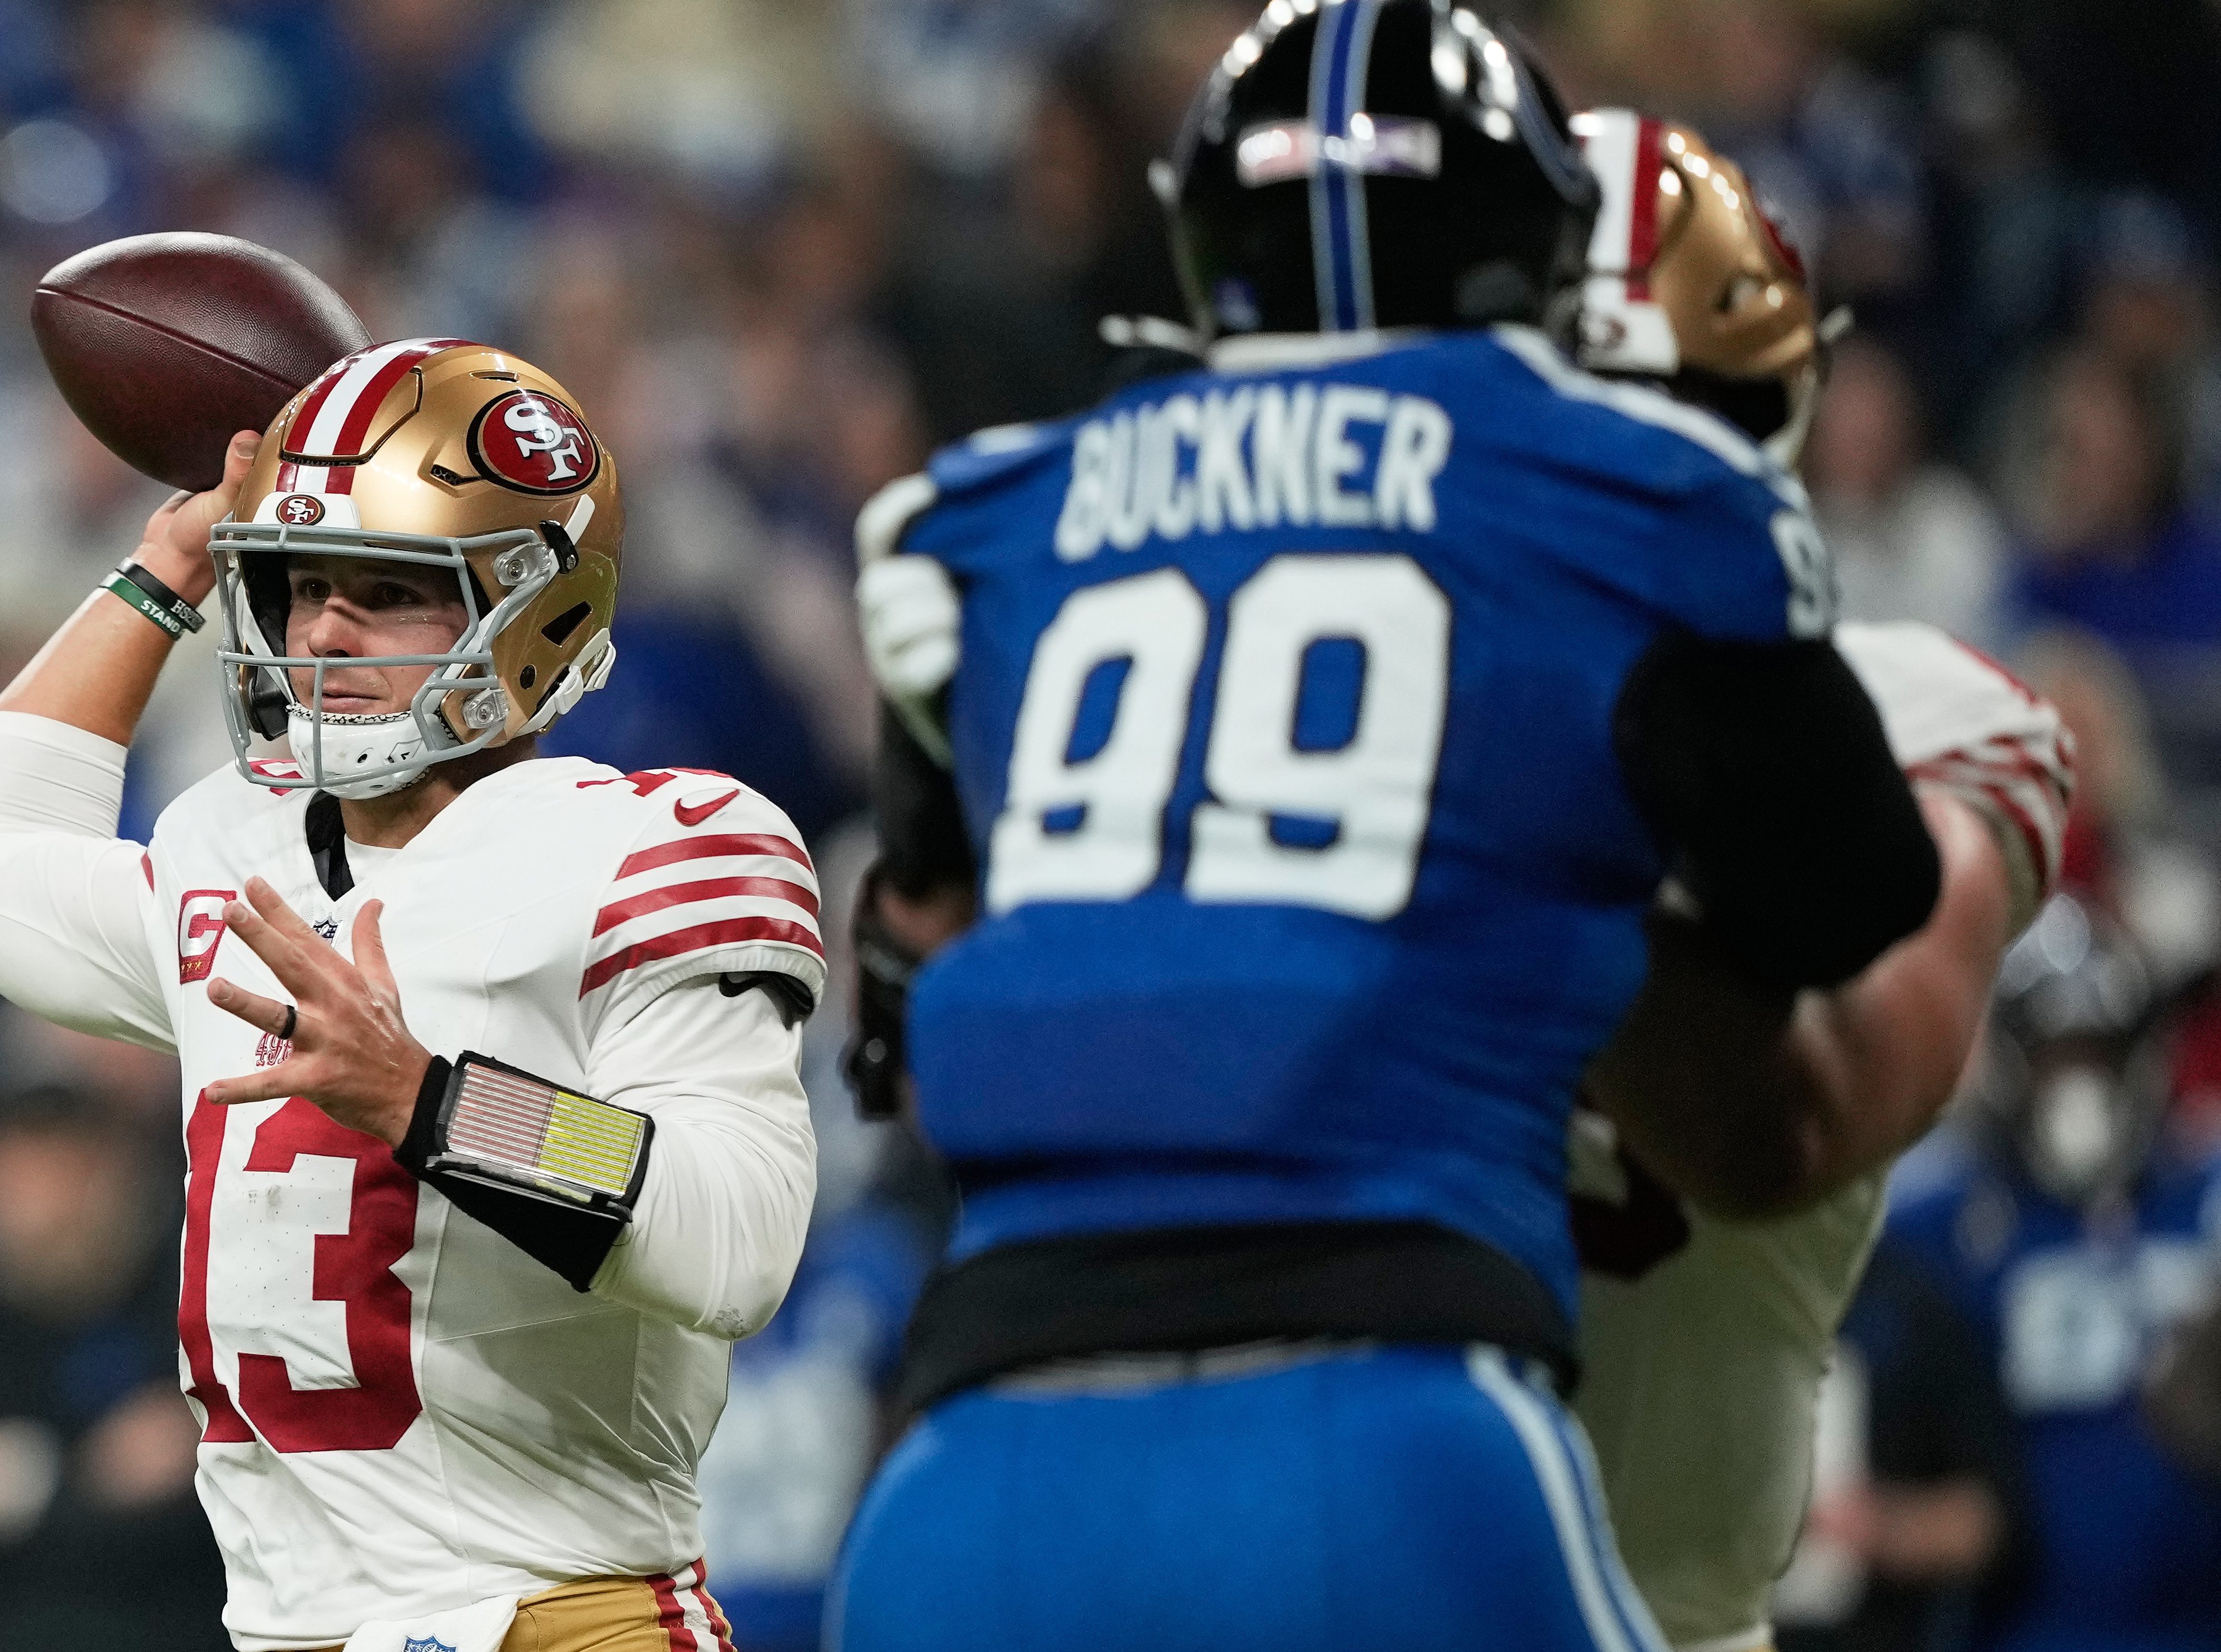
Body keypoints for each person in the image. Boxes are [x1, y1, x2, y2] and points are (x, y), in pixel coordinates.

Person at [831, 4, 1954, 1644]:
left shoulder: (976, 521)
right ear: (1533, 241)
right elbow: (1852, 901)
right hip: (1386, 1423)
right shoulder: (1635, 493)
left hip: (963, 1468)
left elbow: (912, 1019)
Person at [0, 338, 826, 1652]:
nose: (323, 632)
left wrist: (432, 1103)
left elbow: (732, 1240)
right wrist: (166, 568)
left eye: (389, 590)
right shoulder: (232, 848)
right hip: (290, 1629)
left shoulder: (652, 847)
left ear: (538, 612)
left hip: (553, 1613)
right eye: (298, 586)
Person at [1557, 109, 2073, 1652]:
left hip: (1669, 1608)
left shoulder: (1922, 719)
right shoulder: (1327, 686)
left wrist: (1496, 806)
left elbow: (1779, 1129)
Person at [1878, 898, 2221, 1652]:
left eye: (2099, 1055)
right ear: (2013, 1064)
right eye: (2057, 1059)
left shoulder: (2203, 1192)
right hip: (2028, 1627)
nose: (2079, 1087)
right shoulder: (1947, 1218)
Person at [0, 1085, 226, 1652]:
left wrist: (15, 1492)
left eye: (64, 1189)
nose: (37, 1220)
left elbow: (200, 1534)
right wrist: (84, 1478)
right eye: (13, 1193)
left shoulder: (205, 1330)